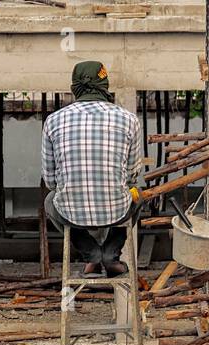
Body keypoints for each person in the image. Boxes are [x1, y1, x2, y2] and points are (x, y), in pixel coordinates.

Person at [40, 61, 142, 277]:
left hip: (70, 212)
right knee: (138, 194)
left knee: (50, 201)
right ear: (104, 85)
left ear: (74, 87)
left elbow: (50, 182)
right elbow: (133, 175)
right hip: (117, 211)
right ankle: (111, 256)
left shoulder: (53, 121)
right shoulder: (129, 120)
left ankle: (91, 255)